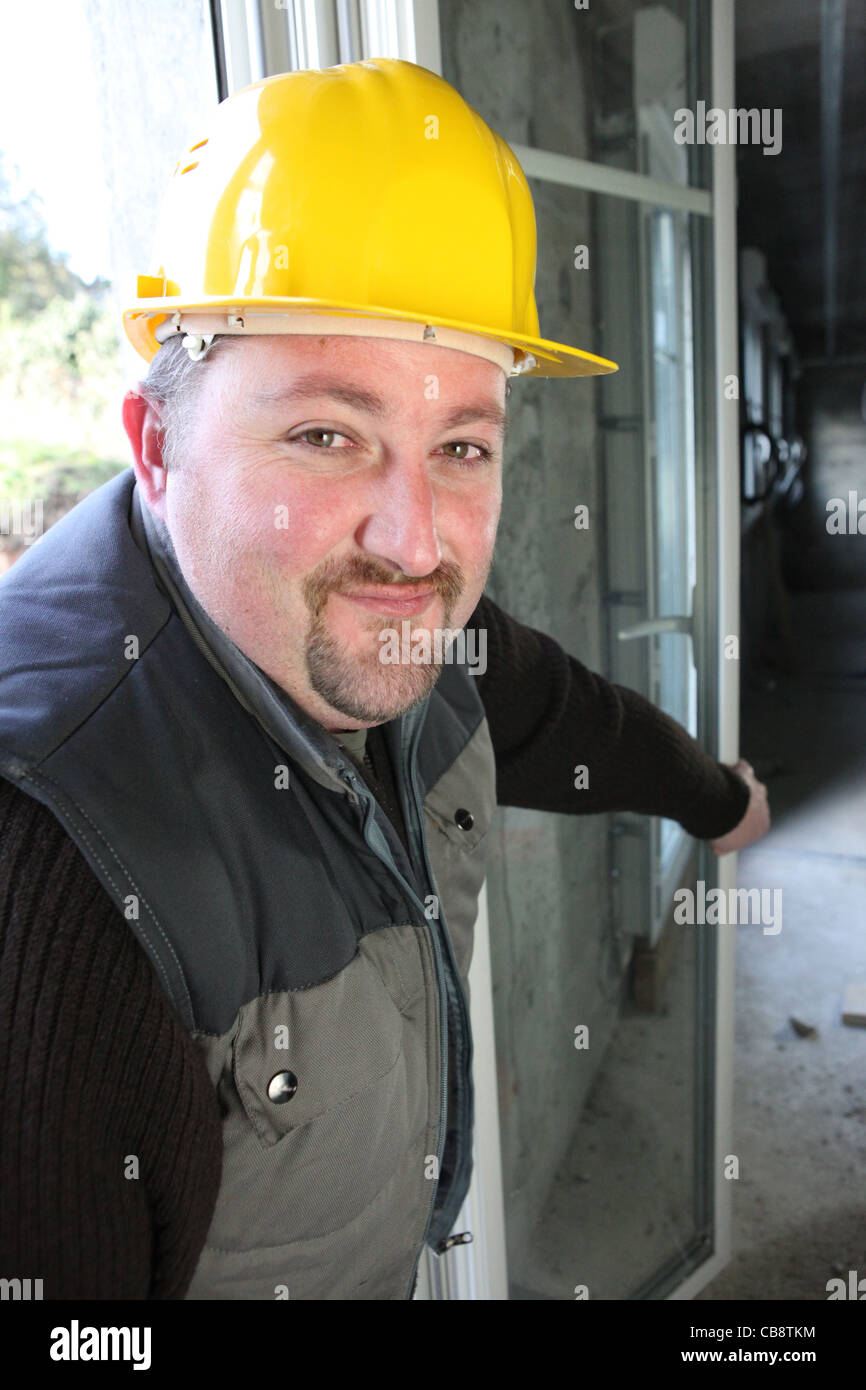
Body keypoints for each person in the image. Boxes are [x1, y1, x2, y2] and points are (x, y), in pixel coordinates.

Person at [0, 57, 769, 1301]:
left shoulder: (417, 636)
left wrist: (717, 801)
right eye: (326, 434)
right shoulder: (52, 875)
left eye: (460, 444)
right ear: (157, 445)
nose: (416, 545)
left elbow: (573, 718)